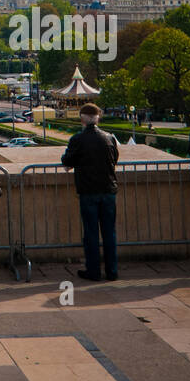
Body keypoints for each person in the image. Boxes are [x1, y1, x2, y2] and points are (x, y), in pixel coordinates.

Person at [61, 102, 120, 281]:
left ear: (82, 120)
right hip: (108, 190)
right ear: (98, 118)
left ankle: (93, 271)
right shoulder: (109, 138)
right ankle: (112, 271)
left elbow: (67, 161)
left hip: (88, 191)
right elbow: (115, 159)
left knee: (91, 234)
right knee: (109, 233)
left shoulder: (78, 139)